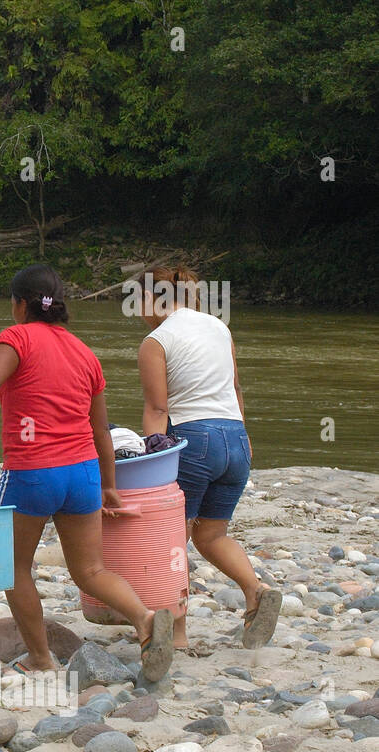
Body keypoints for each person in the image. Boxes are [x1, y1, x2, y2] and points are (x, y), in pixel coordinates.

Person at [0, 264, 175, 678]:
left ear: (19, 304)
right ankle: (144, 619)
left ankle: (40, 658)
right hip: (84, 473)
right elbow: (100, 430)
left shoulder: (15, 337)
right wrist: (108, 485)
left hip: (35, 471)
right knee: (91, 571)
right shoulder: (84, 352)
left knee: (14, 569)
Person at [137, 266, 281, 649]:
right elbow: (234, 387)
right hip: (235, 440)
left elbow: (156, 410)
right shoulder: (220, 327)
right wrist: (244, 436)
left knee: (173, 541)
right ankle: (255, 590)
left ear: (154, 298)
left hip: (194, 439)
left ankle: (179, 635)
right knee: (212, 534)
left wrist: (149, 462)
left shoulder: (157, 340)